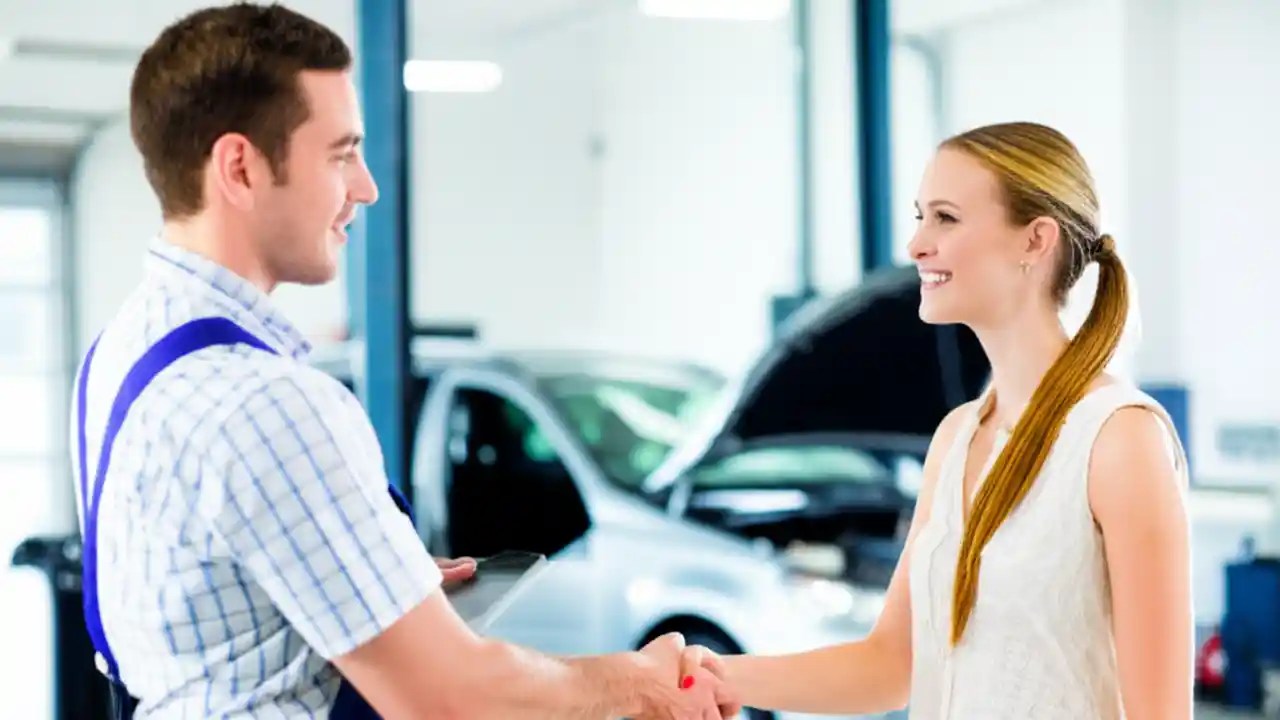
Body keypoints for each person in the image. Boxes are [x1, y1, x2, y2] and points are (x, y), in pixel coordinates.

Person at [70, 3, 737, 718]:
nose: (365, 187)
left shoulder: (120, 355)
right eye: (340, 155)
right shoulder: (269, 403)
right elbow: (456, 697)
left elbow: (212, 615)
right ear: (240, 167)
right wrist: (638, 682)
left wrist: (373, 582)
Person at [681, 121, 1194, 719]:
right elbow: (889, 666)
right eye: (920, 216)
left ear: (1035, 240)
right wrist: (712, 677)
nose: (916, 245)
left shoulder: (1118, 439)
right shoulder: (957, 438)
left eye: (945, 218)